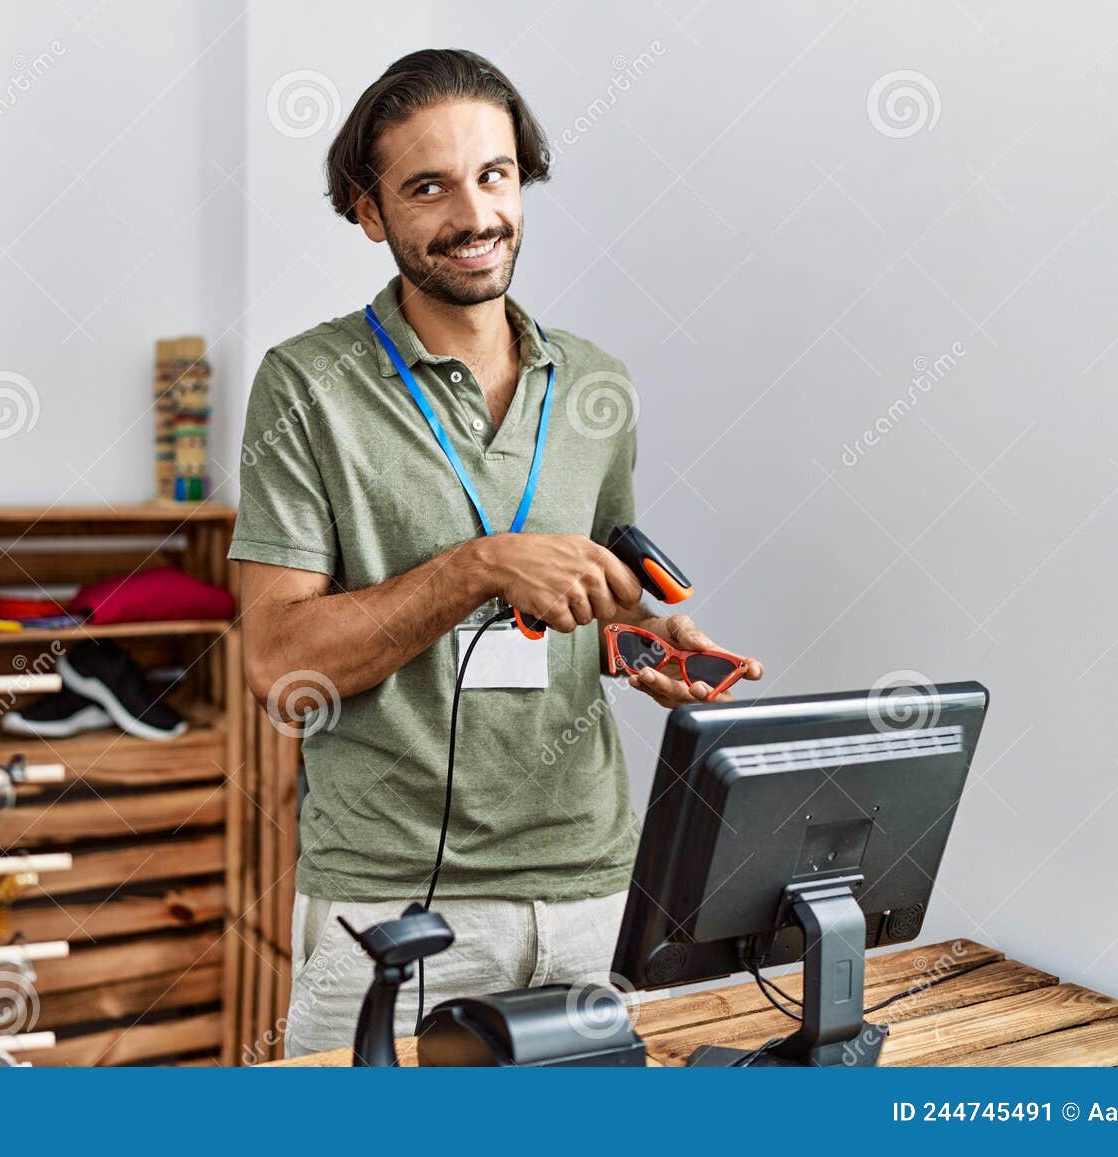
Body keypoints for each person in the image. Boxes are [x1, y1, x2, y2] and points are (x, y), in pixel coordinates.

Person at [227, 48, 762, 1058]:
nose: (474, 214)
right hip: (393, 898)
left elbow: (582, 616)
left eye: (495, 174)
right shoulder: (305, 384)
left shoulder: (595, 384)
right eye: (427, 186)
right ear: (368, 211)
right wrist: (478, 563)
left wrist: (642, 644)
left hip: (592, 883)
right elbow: (276, 664)